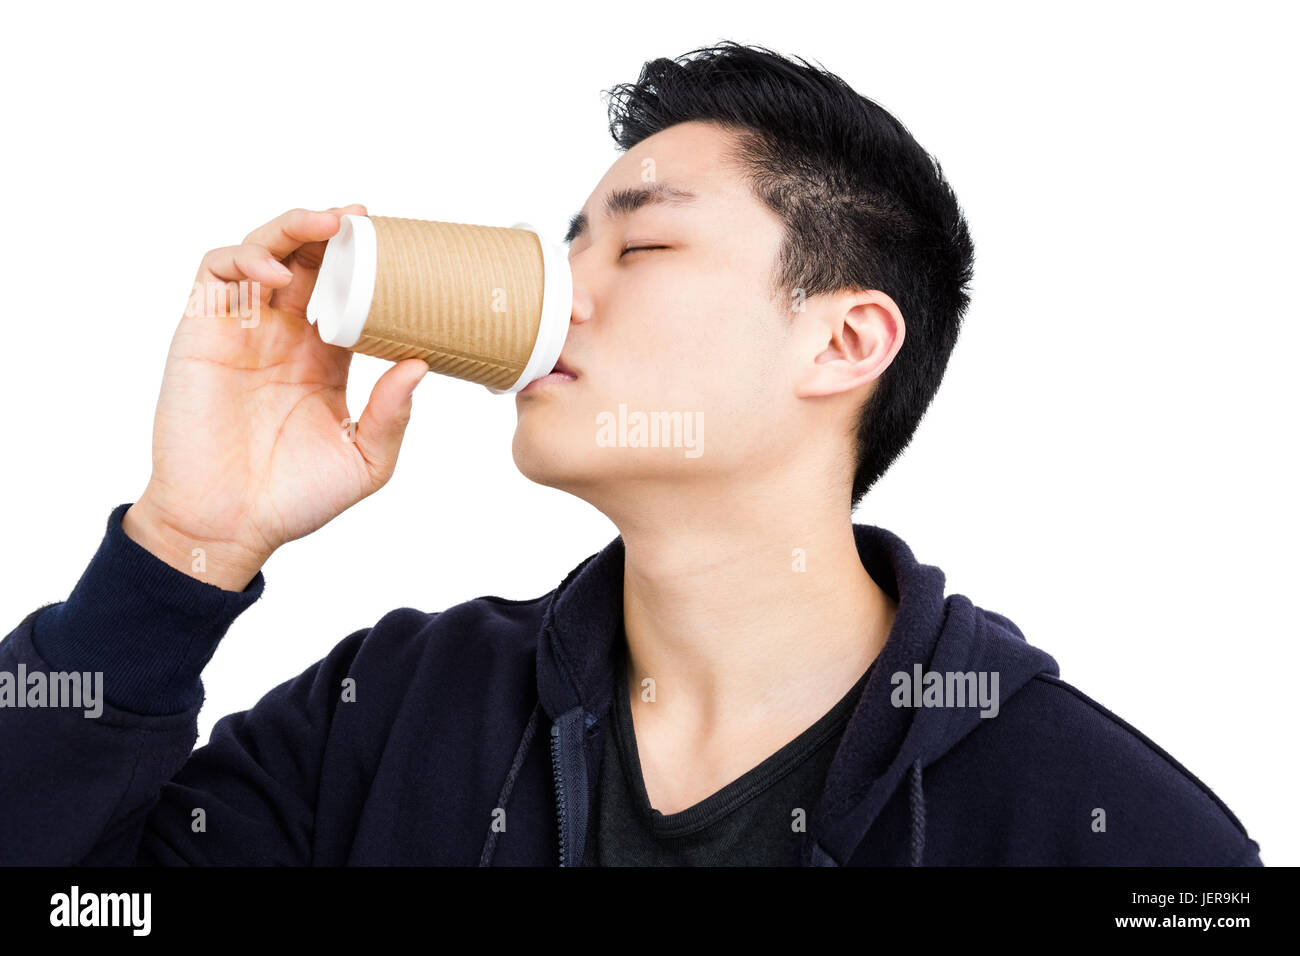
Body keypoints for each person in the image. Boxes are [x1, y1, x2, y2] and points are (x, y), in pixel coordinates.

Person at [0, 42, 1262, 866]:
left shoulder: (1112, 831)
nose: (561, 295)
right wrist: (184, 546)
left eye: (641, 247)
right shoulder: (389, 714)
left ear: (844, 339)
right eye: (565, 246)